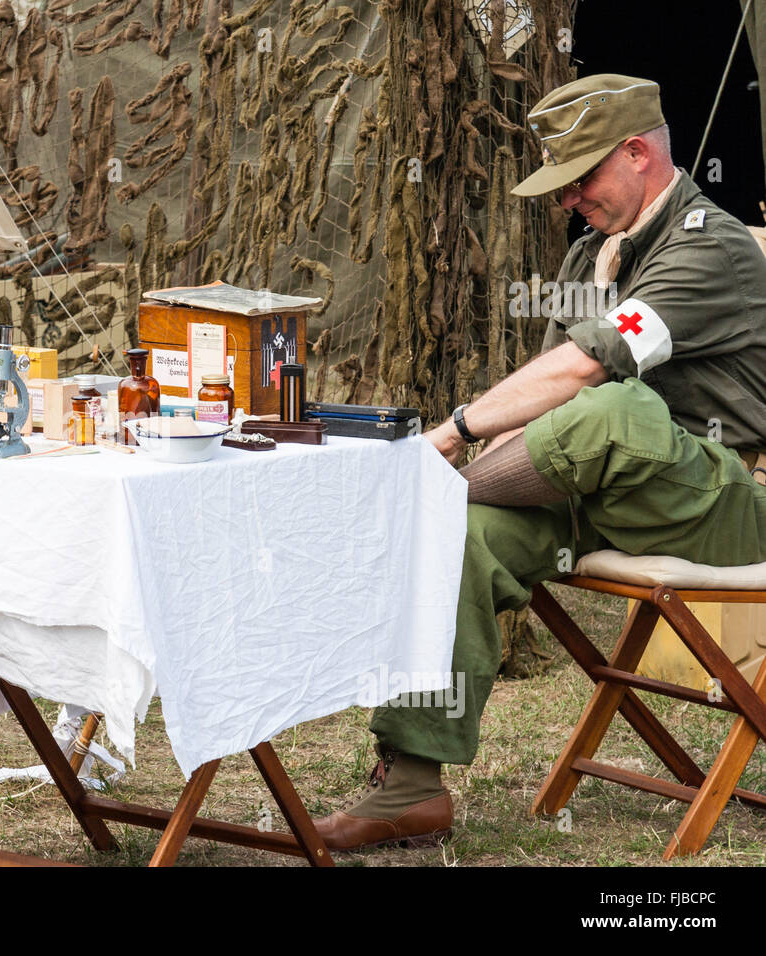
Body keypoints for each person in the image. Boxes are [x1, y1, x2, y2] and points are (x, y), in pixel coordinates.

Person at [314, 74, 766, 850]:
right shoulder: (591, 254)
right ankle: (412, 785)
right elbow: (550, 400)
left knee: (614, 406)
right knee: (463, 534)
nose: (567, 201)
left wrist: (455, 433)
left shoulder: (710, 246)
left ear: (636, 153)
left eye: (580, 178)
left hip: (720, 502)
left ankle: (438, 490)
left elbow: (588, 369)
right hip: (602, 490)